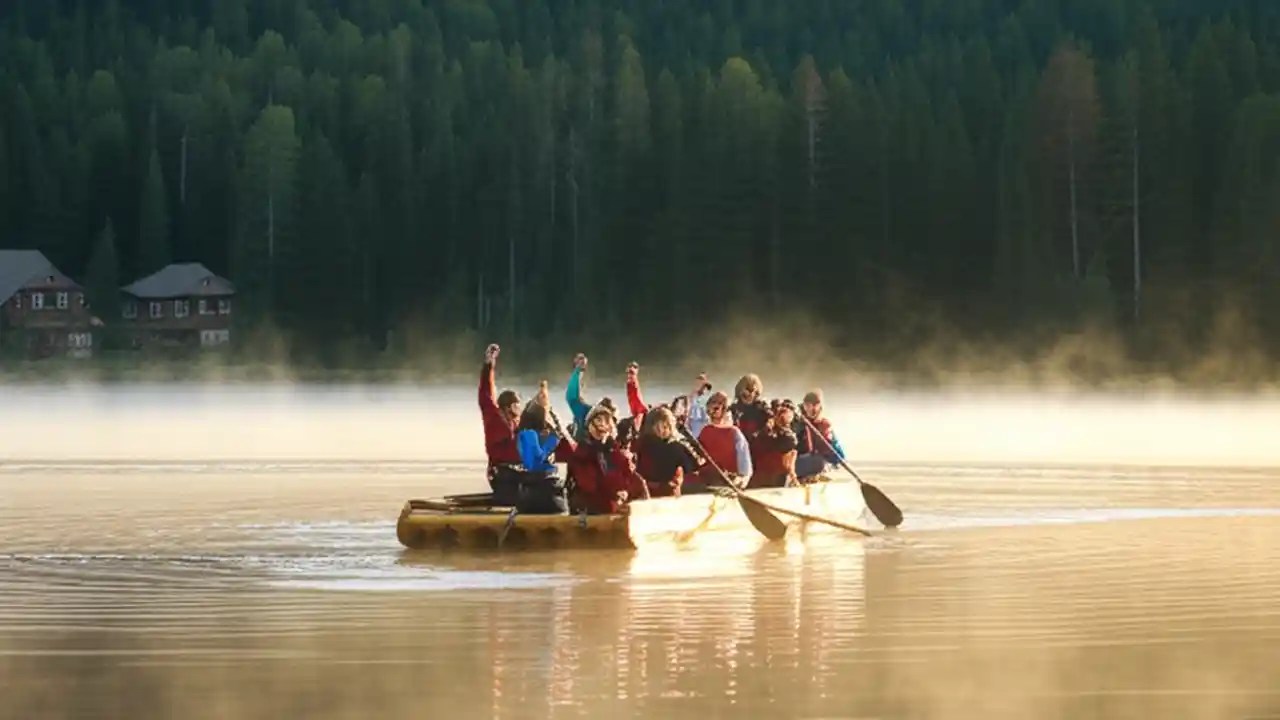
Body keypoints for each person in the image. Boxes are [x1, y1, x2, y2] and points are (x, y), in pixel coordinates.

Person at [565, 403, 648, 514]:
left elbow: (630, 477)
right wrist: (613, 495)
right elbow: (588, 485)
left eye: (606, 421)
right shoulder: (581, 454)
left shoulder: (616, 452)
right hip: (588, 511)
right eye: (598, 420)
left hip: (615, 506)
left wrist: (627, 493)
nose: (602, 426)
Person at [504, 400, 574, 513]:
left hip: (548, 489)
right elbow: (537, 457)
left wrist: (559, 430)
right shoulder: (529, 435)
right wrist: (554, 440)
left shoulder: (543, 434)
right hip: (536, 491)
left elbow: (571, 452)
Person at [687, 390, 752, 492]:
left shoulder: (734, 433)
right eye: (711, 407)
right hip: (708, 483)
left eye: (716, 408)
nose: (713, 411)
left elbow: (745, 470)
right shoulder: (706, 431)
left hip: (727, 485)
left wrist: (739, 483)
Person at [478, 344, 522, 481]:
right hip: (500, 472)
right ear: (508, 406)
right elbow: (486, 393)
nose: (519, 408)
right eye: (516, 404)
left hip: (517, 469)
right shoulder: (494, 416)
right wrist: (489, 365)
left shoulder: (517, 423)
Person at [635, 406, 698, 498]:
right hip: (648, 491)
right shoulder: (643, 445)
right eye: (658, 427)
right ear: (651, 427)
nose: (662, 431)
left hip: (668, 492)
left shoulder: (676, 447)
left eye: (665, 427)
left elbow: (692, 466)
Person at [793, 389, 847, 479]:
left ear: (819, 406)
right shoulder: (797, 421)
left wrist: (837, 460)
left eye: (815, 406)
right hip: (797, 459)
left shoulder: (824, 424)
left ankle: (816, 475)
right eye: (808, 406)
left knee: (820, 461)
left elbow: (837, 451)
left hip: (816, 460)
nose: (811, 409)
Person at [748, 399, 799, 489]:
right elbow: (755, 444)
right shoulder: (764, 433)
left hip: (778, 478)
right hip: (761, 476)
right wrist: (766, 430)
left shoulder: (789, 437)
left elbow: (788, 444)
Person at [564, 353, 592, 441]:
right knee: (584, 413)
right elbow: (578, 385)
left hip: (571, 397)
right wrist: (580, 398)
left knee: (581, 413)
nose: (584, 365)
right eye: (582, 363)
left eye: (584, 363)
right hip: (573, 398)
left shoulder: (577, 372)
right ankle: (580, 436)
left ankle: (577, 429)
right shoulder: (578, 372)